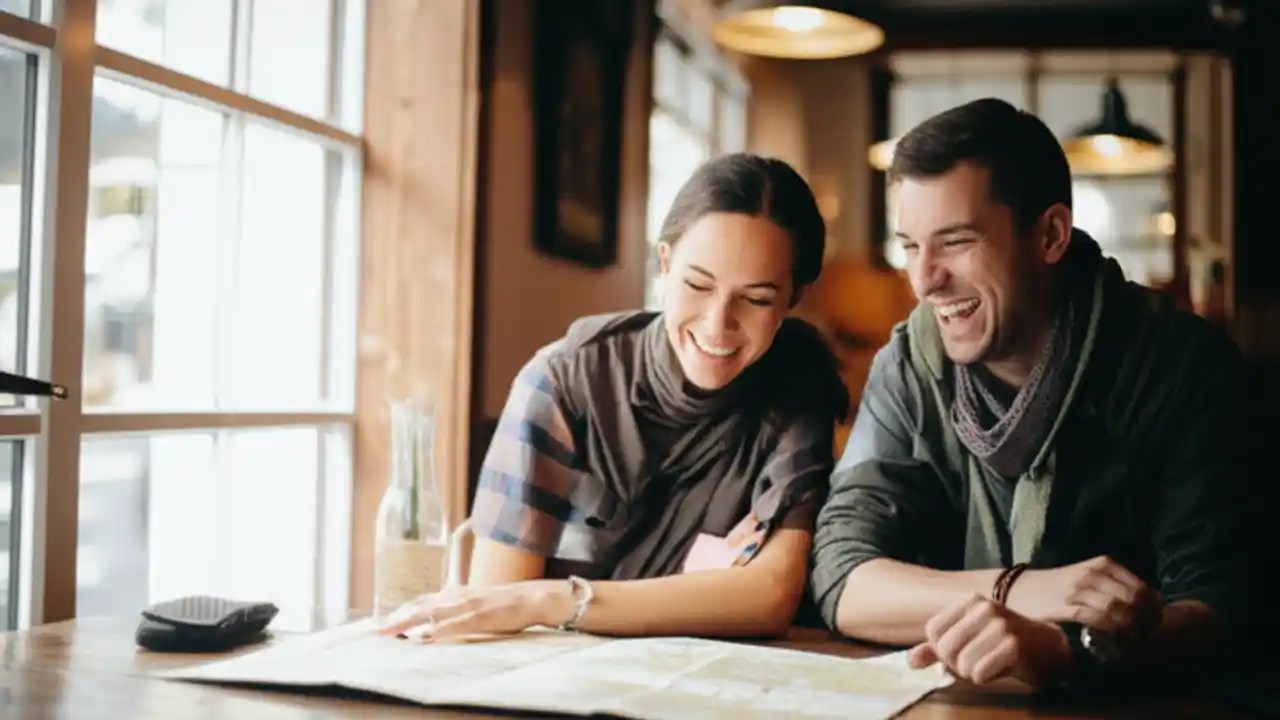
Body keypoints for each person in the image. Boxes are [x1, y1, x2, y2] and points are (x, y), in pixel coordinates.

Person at [809, 98, 1263, 691]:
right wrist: (1024, 591)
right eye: (911, 246)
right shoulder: (910, 365)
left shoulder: (1181, 367)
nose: (924, 281)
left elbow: (1224, 609)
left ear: (1049, 235)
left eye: (956, 242)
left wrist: (1066, 652)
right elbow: (843, 575)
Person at [380, 153, 847, 641]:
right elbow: (497, 609)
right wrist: (712, 592)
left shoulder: (797, 394)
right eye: (697, 284)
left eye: (756, 299)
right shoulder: (565, 383)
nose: (717, 324)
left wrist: (557, 598)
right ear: (664, 264)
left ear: (794, 298)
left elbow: (769, 596)